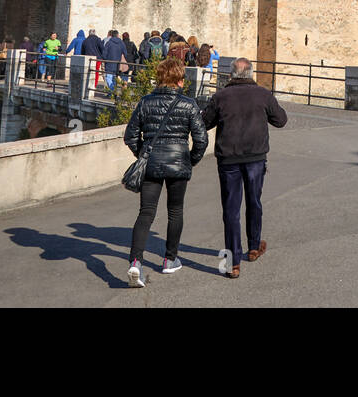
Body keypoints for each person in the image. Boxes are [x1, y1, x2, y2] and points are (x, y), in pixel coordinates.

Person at [123, 57, 208, 287]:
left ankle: (135, 262)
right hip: (178, 162)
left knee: (146, 212)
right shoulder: (189, 104)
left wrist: (143, 154)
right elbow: (201, 139)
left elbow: (130, 136)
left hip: (151, 162)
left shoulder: (145, 102)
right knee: (175, 212)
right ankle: (169, 259)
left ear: (160, 77)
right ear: (180, 80)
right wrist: (190, 160)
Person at [200, 57, 288, 279]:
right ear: (250, 74)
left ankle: (233, 262)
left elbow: (204, 122)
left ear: (231, 75)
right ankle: (254, 246)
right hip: (255, 157)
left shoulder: (221, 96)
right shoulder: (263, 94)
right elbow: (281, 120)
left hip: (228, 159)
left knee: (231, 210)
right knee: (254, 202)